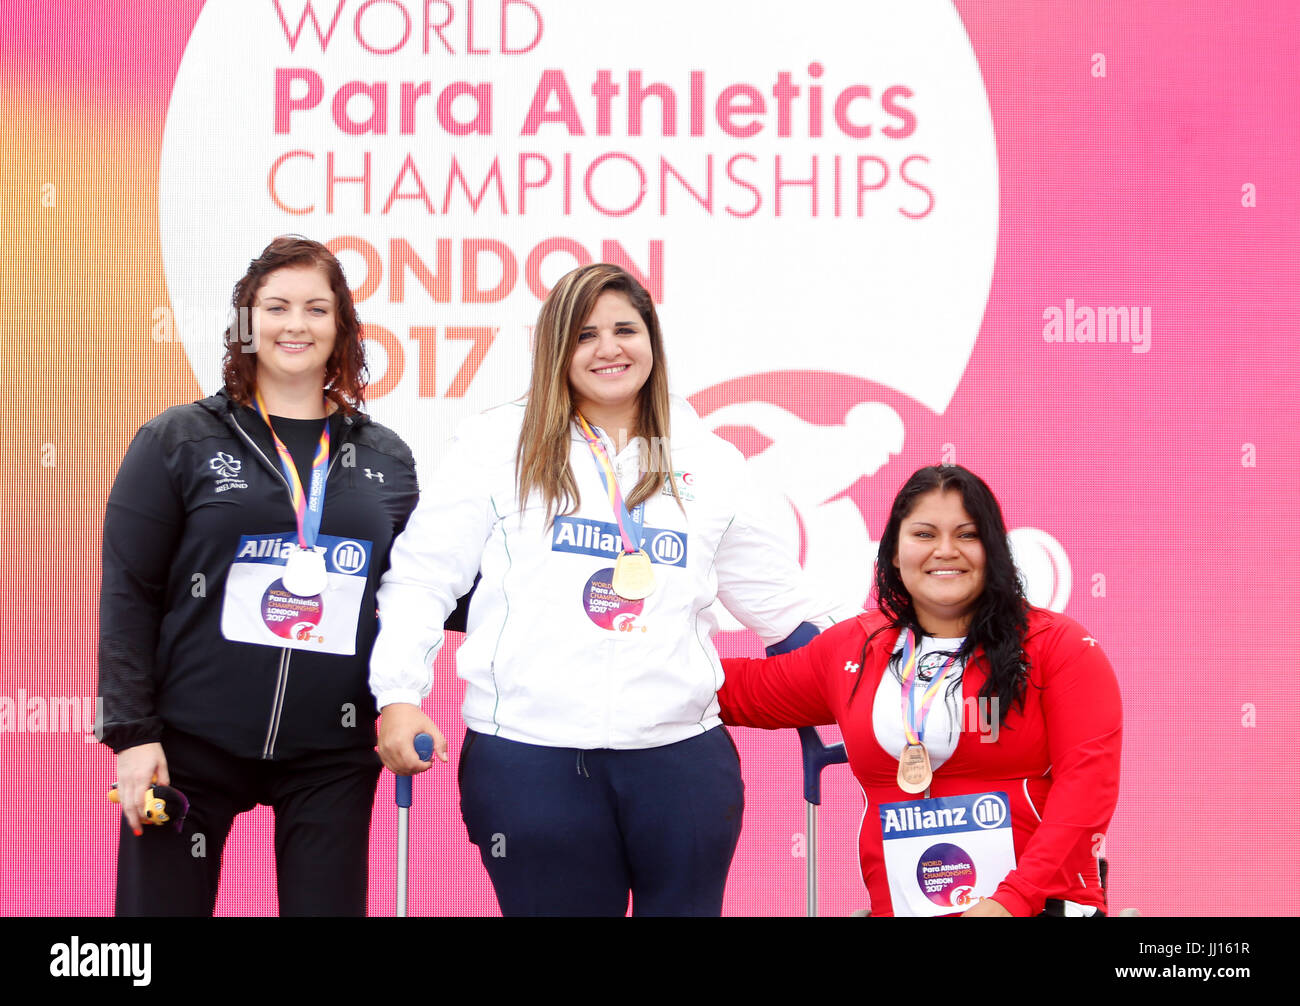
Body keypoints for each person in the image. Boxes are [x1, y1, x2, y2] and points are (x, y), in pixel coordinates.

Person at [369, 263, 836, 916]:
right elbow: (422, 577)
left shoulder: (710, 460)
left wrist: (884, 669)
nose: (609, 348)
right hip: (530, 759)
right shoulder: (497, 444)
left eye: (625, 328)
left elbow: (786, 609)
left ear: (652, 339)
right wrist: (398, 694)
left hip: (680, 763)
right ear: (556, 348)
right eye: (585, 334)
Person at [98, 236, 419, 916]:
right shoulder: (180, 439)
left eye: (315, 308)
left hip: (330, 752)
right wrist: (133, 735)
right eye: (275, 307)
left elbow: (426, 586)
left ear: (342, 329)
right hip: (188, 746)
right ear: (247, 323)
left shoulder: (385, 456)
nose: (295, 325)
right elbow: (131, 590)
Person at [716, 465, 1122, 917]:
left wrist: (1013, 901)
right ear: (893, 552)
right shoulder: (855, 649)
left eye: (967, 535)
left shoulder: (1059, 645)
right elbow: (731, 690)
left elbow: (1087, 790)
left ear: (995, 550)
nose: (945, 551)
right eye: (924, 534)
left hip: (1036, 908)